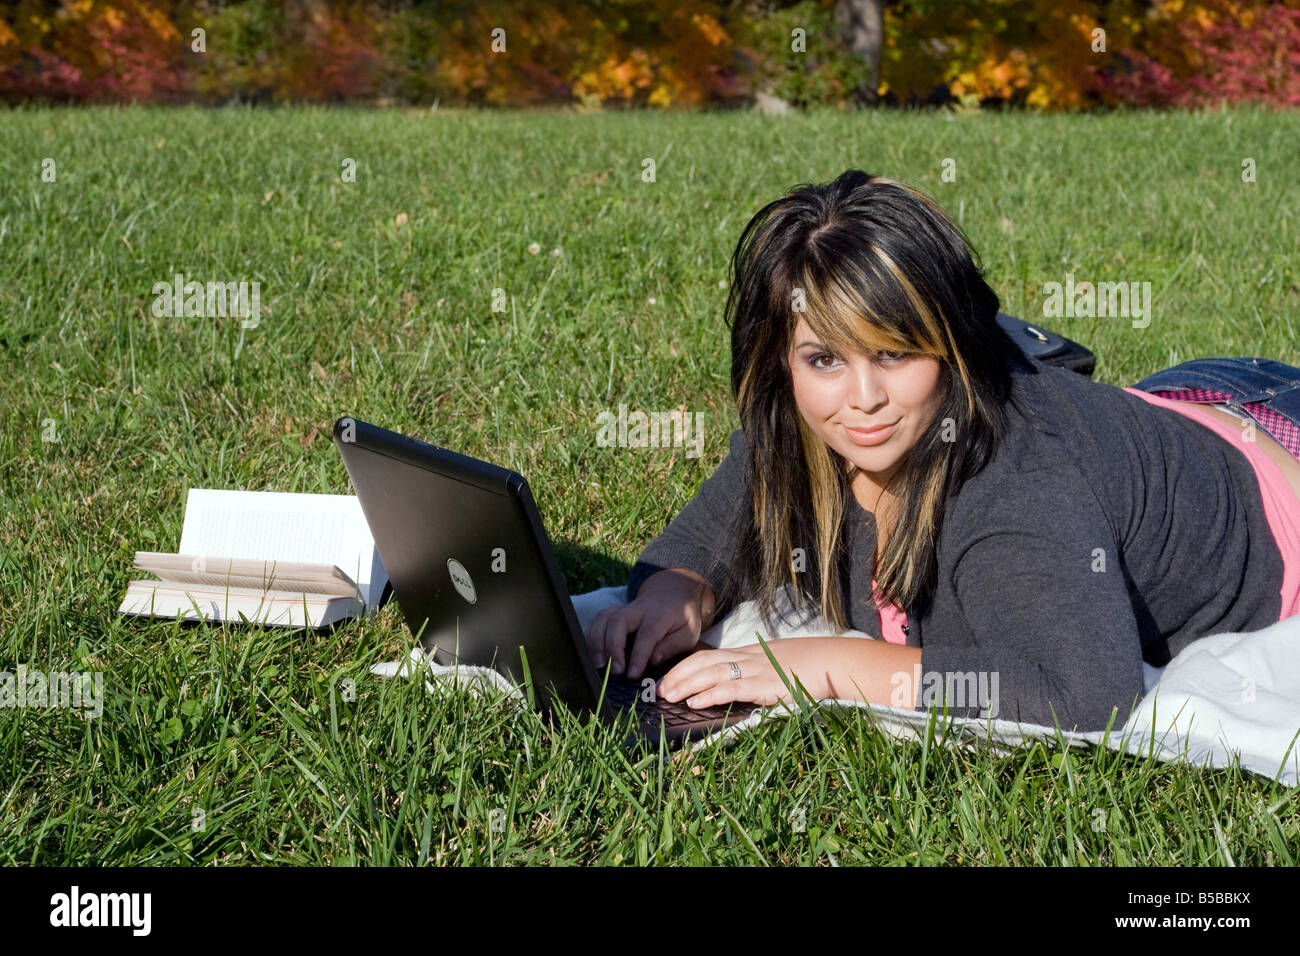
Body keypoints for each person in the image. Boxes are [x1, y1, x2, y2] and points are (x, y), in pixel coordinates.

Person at [582, 170, 1300, 733]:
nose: (861, 398)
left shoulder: (1013, 487)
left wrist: (833, 665)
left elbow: (1085, 694)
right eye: (824, 359)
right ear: (782, 361)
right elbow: (709, 534)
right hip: (1179, 404)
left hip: (1276, 445)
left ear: (952, 349)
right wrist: (676, 592)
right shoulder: (802, 424)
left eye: (894, 354)